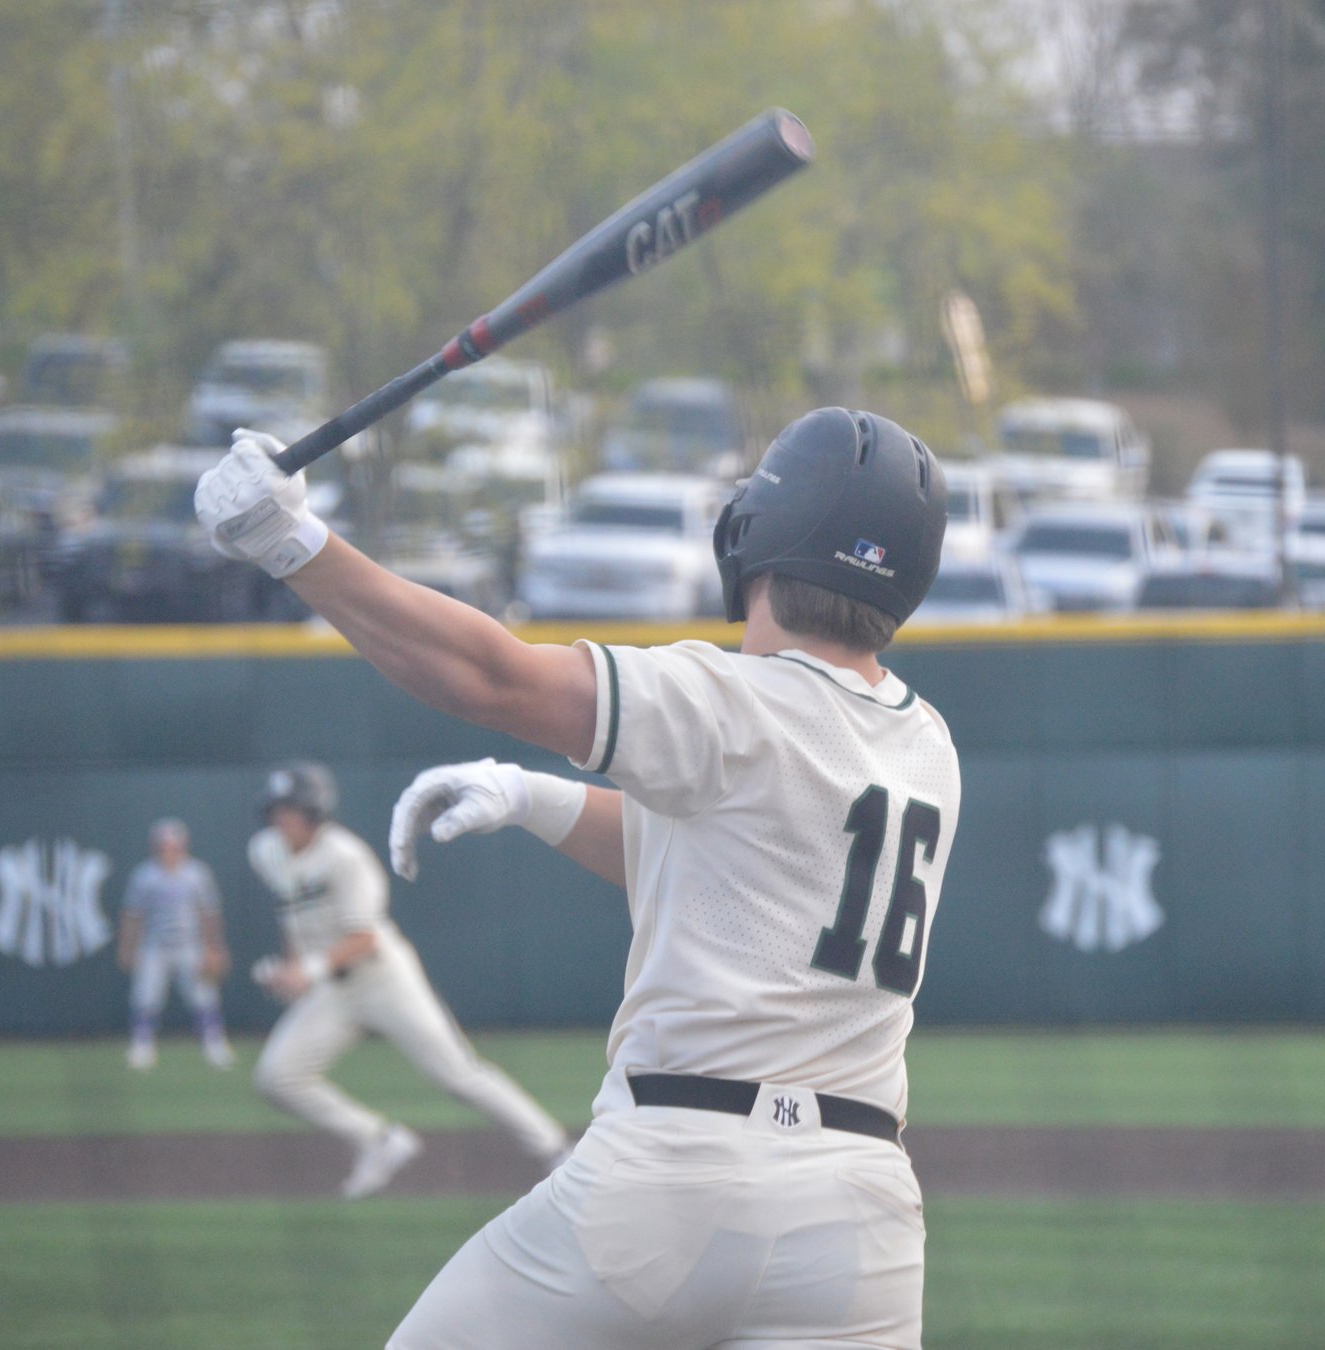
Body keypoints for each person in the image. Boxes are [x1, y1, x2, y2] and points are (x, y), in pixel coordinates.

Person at [197, 405, 959, 1346]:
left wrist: (292, 543)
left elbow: (493, 677)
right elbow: (714, 866)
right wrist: (533, 797)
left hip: (675, 1173)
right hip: (860, 1216)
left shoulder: (729, 697)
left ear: (764, 531)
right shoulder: (926, 744)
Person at [245, 760, 571, 1200]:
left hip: (383, 979)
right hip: (334, 990)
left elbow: (364, 937)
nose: (281, 817)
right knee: (277, 1078)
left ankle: (555, 1149)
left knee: (459, 1075)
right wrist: (294, 969)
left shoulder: (345, 856)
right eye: (276, 809)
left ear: (314, 811)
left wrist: (310, 969)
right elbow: (293, 916)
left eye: (291, 809)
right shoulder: (265, 850)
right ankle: (380, 1140)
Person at [117, 817, 235, 1071]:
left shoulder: (197, 874)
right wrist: (127, 948)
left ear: (184, 847)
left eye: (173, 847)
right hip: (154, 946)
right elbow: (133, 915)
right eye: (164, 847)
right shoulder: (144, 875)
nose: (168, 852)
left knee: (203, 996)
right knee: (146, 995)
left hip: (190, 946)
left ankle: (214, 1044)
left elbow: (209, 913)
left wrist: (214, 947)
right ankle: (142, 1046)